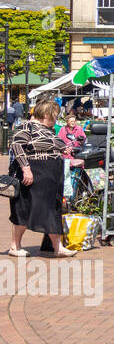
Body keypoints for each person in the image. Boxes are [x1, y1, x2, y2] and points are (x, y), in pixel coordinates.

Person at [7, 100, 75, 258]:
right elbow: (17, 146)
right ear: (45, 114)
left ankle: (56, 247)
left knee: (52, 208)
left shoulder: (47, 129)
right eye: (54, 115)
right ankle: (15, 246)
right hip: (34, 173)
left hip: (50, 175)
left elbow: (56, 144)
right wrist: (26, 169)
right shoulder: (27, 126)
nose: (56, 119)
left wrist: (65, 148)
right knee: (24, 208)